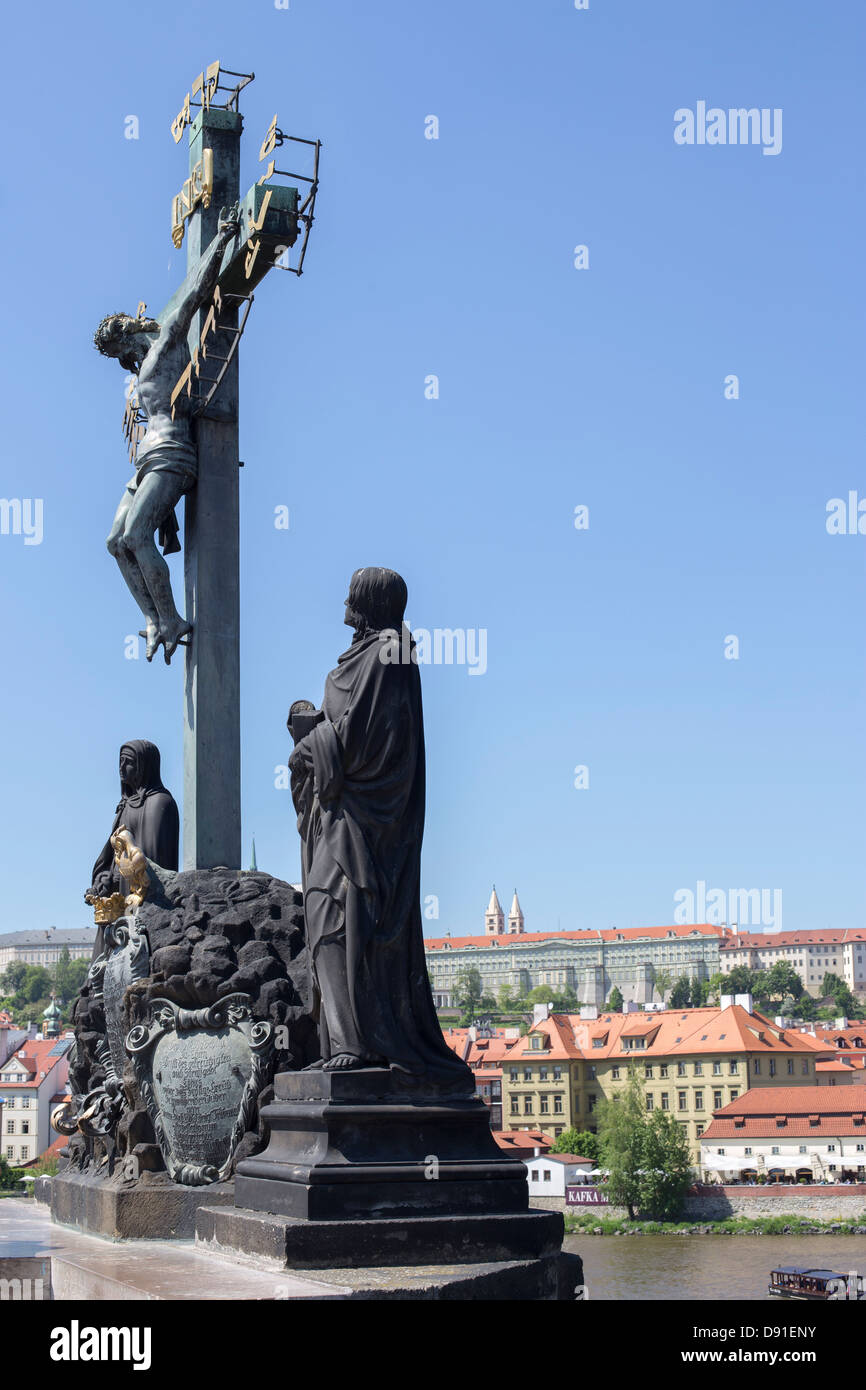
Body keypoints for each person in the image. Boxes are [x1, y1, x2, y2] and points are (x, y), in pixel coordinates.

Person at [288, 568, 471, 1090]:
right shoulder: (368, 654)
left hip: (368, 819)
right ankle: (346, 1041)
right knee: (323, 915)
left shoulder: (391, 650)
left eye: (353, 594)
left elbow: (360, 741)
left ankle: (361, 1044)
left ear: (370, 600)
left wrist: (312, 743)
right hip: (342, 815)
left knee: (340, 917)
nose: (344, 602)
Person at [94, 206, 240, 662]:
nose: (123, 359)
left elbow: (196, 292)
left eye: (120, 349)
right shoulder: (142, 370)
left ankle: (172, 617)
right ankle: (155, 618)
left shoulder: (164, 346)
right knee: (116, 542)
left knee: (137, 537)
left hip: (173, 453)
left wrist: (223, 237)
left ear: (132, 336)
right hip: (147, 461)